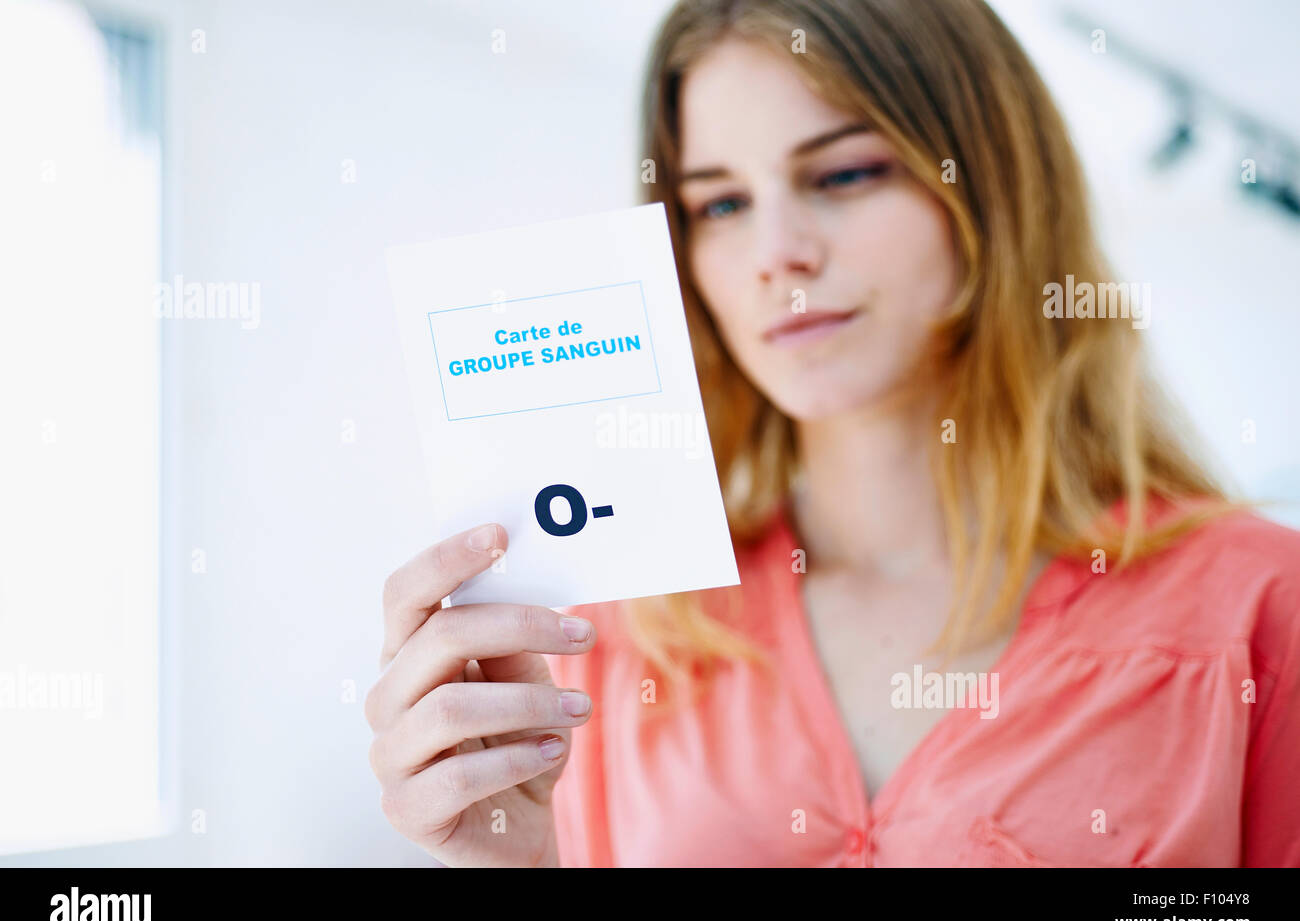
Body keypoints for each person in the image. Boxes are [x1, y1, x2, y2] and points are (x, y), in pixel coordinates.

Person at [365, 0, 1300, 867]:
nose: (779, 253)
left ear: (992, 190)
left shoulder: (1261, 613)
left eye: (845, 173)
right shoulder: (608, 637)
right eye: (720, 204)